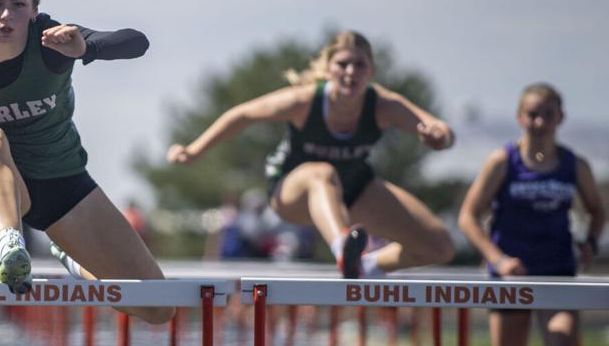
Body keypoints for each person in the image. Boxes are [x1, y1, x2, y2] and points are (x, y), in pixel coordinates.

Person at [0, 0, 171, 324]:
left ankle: (71, 260)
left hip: (62, 185)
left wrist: (85, 48)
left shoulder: (51, 42)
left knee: (156, 307)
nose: (6, 16)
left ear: (34, 9)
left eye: (18, 5)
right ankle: (11, 244)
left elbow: (138, 42)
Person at [168, 30, 456, 278]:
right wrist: (194, 149)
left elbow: (438, 128)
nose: (351, 72)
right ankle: (343, 248)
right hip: (293, 193)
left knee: (438, 246)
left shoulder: (383, 104)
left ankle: (365, 264)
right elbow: (242, 115)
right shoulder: (305, 101)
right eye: (343, 64)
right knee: (322, 172)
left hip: (353, 189)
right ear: (328, 68)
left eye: (360, 65)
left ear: (371, 71)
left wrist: (440, 137)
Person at [458, 83, 603, 346]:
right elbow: (468, 217)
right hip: (511, 279)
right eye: (532, 114)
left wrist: (590, 242)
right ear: (521, 118)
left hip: (557, 274)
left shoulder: (574, 165)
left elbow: (596, 210)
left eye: (547, 114)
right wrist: (498, 259)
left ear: (561, 118)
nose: (539, 122)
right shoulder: (503, 161)